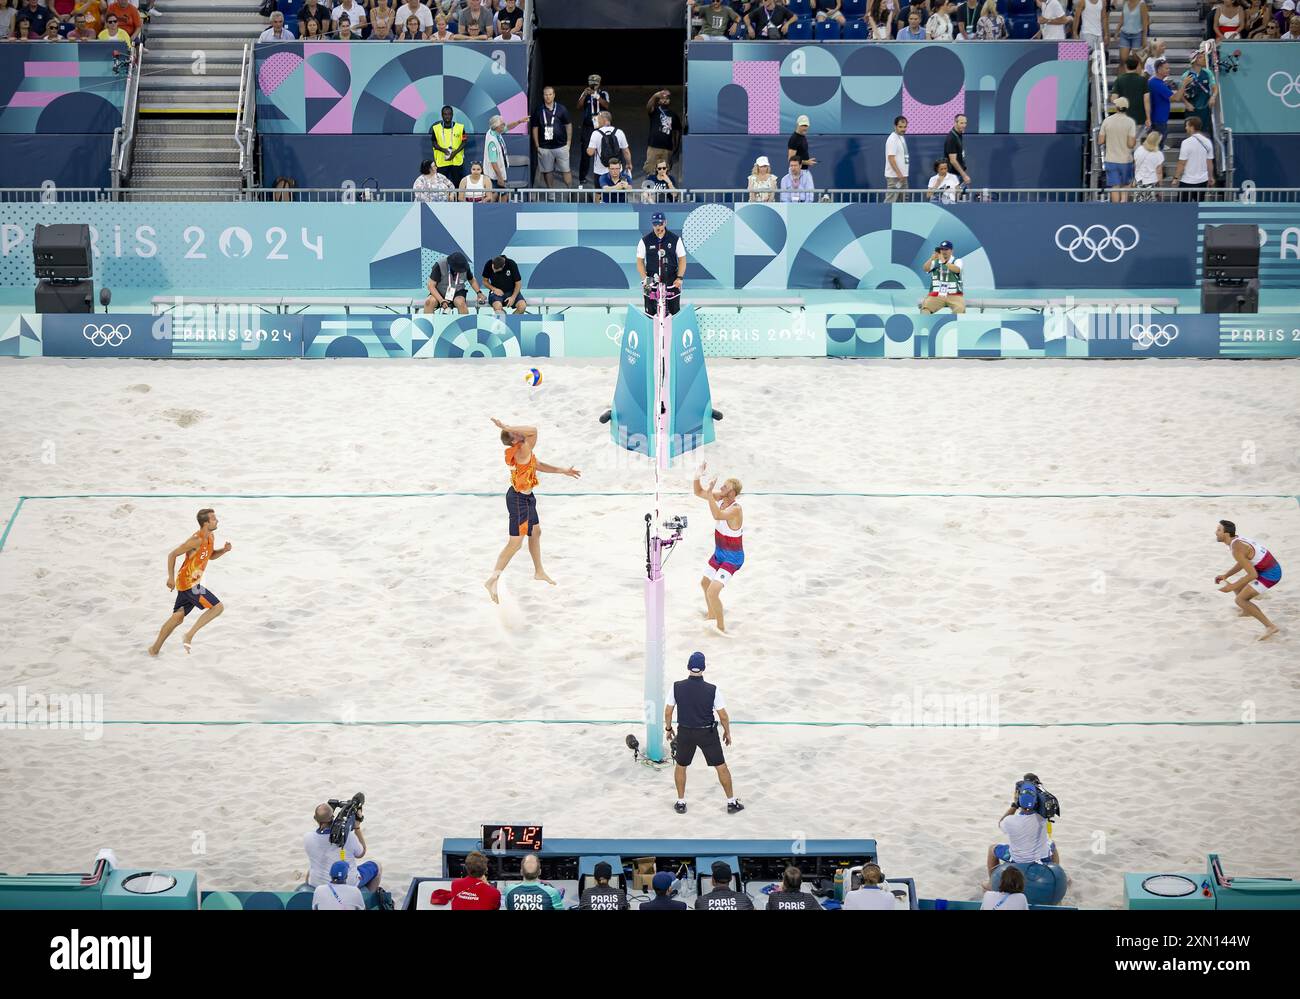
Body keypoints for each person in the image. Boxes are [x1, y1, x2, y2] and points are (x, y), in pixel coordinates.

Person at [484, 417, 581, 603]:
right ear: (514, 440)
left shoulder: (525, 451)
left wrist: (563, 470)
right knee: (515, 544)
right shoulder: (522, 449)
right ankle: (493, 580)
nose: (520, 434)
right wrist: (506, 427)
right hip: (518, 501)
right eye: (516, 434)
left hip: (527, 498)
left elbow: (539, 465)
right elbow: (533, 430)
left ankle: (539, 571)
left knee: (535, 532)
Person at [664, 651, 742, 814]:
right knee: (721, 766)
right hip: (707, 733)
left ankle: (681, 802)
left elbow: (668, 711)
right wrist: (727, 732)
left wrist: (669, 729)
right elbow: (723, 716)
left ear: (688, 666)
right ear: (703, 668)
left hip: (685, 732)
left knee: (681, 766)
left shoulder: (676, 686)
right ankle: (731, 802)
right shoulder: (712, 689)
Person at [148, 508, 230, 656]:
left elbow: (210, 555)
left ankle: (154, 649)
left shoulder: (211, 536)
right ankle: (189, 635)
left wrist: (223, 551)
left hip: (192, 581)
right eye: (213, 518)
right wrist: (170, 577)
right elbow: (172, 555)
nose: (217, 520)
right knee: (218, 607)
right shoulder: (196, 540)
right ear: (205, 523)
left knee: (178, 617)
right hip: (189, 584)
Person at [693, 464, 743, 634]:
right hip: (720, 553)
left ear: (733, 494)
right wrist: (697, 476)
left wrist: (709, 494)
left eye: (725, 487)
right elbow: (698, 492)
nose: (721, 488)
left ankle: (721, 628)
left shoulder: (736, 509)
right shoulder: (721, 499)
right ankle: (711, 614)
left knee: (712, 592)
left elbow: (717, 515)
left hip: (733, 558)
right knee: (704, 583)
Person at [1214, 520, 1282, 640]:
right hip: (1266, 568)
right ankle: (1247, 611)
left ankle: (1270, 626)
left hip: (1271, 574)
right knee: (1239, 586)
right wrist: (1226, 575)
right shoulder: (1236, 540)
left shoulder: (1236, 548)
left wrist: (1231, 587)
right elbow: (1243, 561)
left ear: (1226, 534)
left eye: (1219, 530)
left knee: (1240, 600)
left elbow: (1252, 574)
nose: (1216, 532)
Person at [986, 778, 1059, 879]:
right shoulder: (1043, 817)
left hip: (1017, 861)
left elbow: (1000, 823)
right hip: (1043, 858)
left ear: (1019, 800)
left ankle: (991, 882)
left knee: (992, 849)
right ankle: (1056, 874)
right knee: (1052, 844)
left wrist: (1014, 805)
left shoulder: (1010, 821)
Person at [303, 802, 383, 892]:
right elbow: (361, 853)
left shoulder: (307, 837)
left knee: (311, 868)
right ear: (333, 817)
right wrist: (357, 827)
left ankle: (309, 892)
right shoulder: (349, 836)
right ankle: (369, 896)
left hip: (316, 883)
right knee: (377, 865)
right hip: (348, 882)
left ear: (315, 818)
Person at [636, 211, 685, 314]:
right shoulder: (644, 241)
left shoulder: (675, 239)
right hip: (650, 280)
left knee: (674, 312)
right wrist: (645, 279)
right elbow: (640, 262)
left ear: (665, 222)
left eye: (660, 223)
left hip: (671, 280)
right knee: (649, 312)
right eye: (655, 224)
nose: (658, 226)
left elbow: (682, 259)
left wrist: (679, 278)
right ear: (652, 224)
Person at [531, 86, 573, 189]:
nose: (548, 97)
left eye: (550, 94)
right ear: (543, 96)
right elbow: (535, 128)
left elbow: (568, 125)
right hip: (544, 147)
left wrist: (568, 143)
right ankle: (551, 193)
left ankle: (570, 190)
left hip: (561, 146)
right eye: (546, 94)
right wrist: (537, 145)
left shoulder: (561, 109)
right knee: (547, 171)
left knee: (566, 170)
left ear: (554, 95)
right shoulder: (539, 110)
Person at [1099, 96, 1137, 203]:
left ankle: (1115, 208)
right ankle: (1124, 206)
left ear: (1116, 107)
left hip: (1111, 159)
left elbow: (1100, 140)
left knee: (1114, 186)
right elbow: (1130, 144)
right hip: (1126, 160)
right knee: (1125, 185)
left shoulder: (1107, 121)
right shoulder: (1130, 122)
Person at [424, 250, 485, 314]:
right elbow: (431, 285)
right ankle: (429, 320)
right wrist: (441, 300)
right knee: (429, 302)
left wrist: (479, 293)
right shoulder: (439, 265)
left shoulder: (465, 266)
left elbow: (471, 280)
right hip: (439, 292)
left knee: (461, 303)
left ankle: (465, 320)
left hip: (458, 292)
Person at [1144, 57, 1186, 149]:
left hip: (1159, 120)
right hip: (1158, 121)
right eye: (1166, 68)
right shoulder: (1156, 84)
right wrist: (1184, 84)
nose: (1169, 70)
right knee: (1157, 148)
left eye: (1169, 68)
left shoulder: (1158, 82)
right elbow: (1176, 98)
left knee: (1157, 147)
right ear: (1159, 70)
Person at [576, 74, 610, 186]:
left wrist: (596, 96)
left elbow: (607, 105)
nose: (594, 86)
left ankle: (604, 175)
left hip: (601, 126)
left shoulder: (603, 93)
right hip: (588, 127)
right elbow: (578, 106)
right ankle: (582, 177)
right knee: (586, 152)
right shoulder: (585, 92)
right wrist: (585, 95)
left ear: (599, 84)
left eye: (596, 84)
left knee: (603, 150)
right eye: (592, 84)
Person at [484, 113, 526, 197]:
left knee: (504, 195)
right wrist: (500, 178)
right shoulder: (492, 142)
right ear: (496, 127)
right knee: (495, 197)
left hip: (499, 173)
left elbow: (508, 127)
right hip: (494, 176)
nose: (504, 124)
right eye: (502, 124)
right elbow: (493, 162)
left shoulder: (495, 131)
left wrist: (519, 121)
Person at [585, 111, 631, 188]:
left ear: (604, 120)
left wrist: (587, 148)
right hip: (617, 170)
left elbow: (590, 152)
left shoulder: (595, 133)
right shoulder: (619, 132)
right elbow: (626, 151)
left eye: (598, 119)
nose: (596, 120)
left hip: (600, 171)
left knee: (599, 192)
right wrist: (629, 164)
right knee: (618, 190)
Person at [644, 89, 682, 180]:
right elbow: (648, 107)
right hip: (653, 146)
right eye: (662, 98)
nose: (665, 100)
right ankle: (650, 189)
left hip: (667, 148)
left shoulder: (674, 115)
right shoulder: (655, 111)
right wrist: (655, 96)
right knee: (651, 171)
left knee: (664, 172)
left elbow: (677, 131)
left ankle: (663, 189)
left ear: (670, 101)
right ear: (659, 101)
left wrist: (676, 146)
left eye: (667, 98)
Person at [920, 240, 965, 314]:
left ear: (951, 251)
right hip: (936, 295)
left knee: (960, 309)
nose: (944, 251)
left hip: (954, 294)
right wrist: (931, 259)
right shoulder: (935, 262)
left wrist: (944, 261)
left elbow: (957, 269)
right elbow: (925, 268)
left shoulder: (957, 261)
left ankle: (952, 321)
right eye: (942, 249)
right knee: (925, 309)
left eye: (946, 249)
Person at [1174, 115, 1214, 197]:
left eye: (1187, 126)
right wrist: (1210, 177)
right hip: (1203, 181)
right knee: (1199, 204)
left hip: (1187, 181)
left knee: (1183, 204)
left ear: (1192, 127)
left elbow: (1182, 163)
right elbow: (1209, 163)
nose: (1185, 128)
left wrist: (1176, 178)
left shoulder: (1186, 142)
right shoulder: (1208, 142)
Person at [430, 105, 467, 187]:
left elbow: (464, 142)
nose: (447, 116)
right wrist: (443, 150)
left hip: (456, 161)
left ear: (452, 115)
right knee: (442, 185)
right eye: (445, 114)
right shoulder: (436, 128)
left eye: (449, 114)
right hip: (442, 161)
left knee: (457, 184)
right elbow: (434, 143)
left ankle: (457, 196)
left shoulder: (460, 127)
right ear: (442, 115)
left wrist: (455, 152)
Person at [1112, 55, 1148, 132]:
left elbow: (1114, 99)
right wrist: (1148, 118)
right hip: (1140, 118)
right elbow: (1147, 100)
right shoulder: (1143, 80)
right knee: (1136, 138)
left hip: (1123, 118)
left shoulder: (1119, 80)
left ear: (1125, 66)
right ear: (1137, 66)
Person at [1113, 0, 1148, 68]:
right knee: (1123, 59)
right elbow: (1122, 18)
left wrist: (1144, 39)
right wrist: (1117, 30)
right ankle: (1122, 74)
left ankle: (1138, 74)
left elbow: (1144, 23)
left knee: (1137, 60)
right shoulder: (1125, 2)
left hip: (1137, 35)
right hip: (1124, 34)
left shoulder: (1142, 4)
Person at [1132, 129, 1164, 199]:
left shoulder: (1139, 150)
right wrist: (1160, 187)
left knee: (1138, 203)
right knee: (1150, 204)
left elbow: (1135, 166)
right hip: (1152, 182)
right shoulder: (1158, 154)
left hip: (1139, 181)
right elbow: (1159, 172)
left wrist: (1134, 179)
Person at [885, 115, 909, 202]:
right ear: (895, 126)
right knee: (890, 201)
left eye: (905, 127)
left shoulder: (901, 137)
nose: (903, 129)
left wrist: (903, 175)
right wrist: (899, 174)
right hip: (895, 177)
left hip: (902, 176)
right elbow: (891, 158)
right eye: (900, 127)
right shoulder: (892, 139)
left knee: (904, 201)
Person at [943, 113, 971, 188]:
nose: (964, 125)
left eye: (965, 123)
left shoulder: (958, 135)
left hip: (958, 174)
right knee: (955, 195)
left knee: (962, 194)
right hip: (953, 176)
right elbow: (953, 160)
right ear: (955, 123)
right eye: (961, 123)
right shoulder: (952, 138)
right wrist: (964, 175)